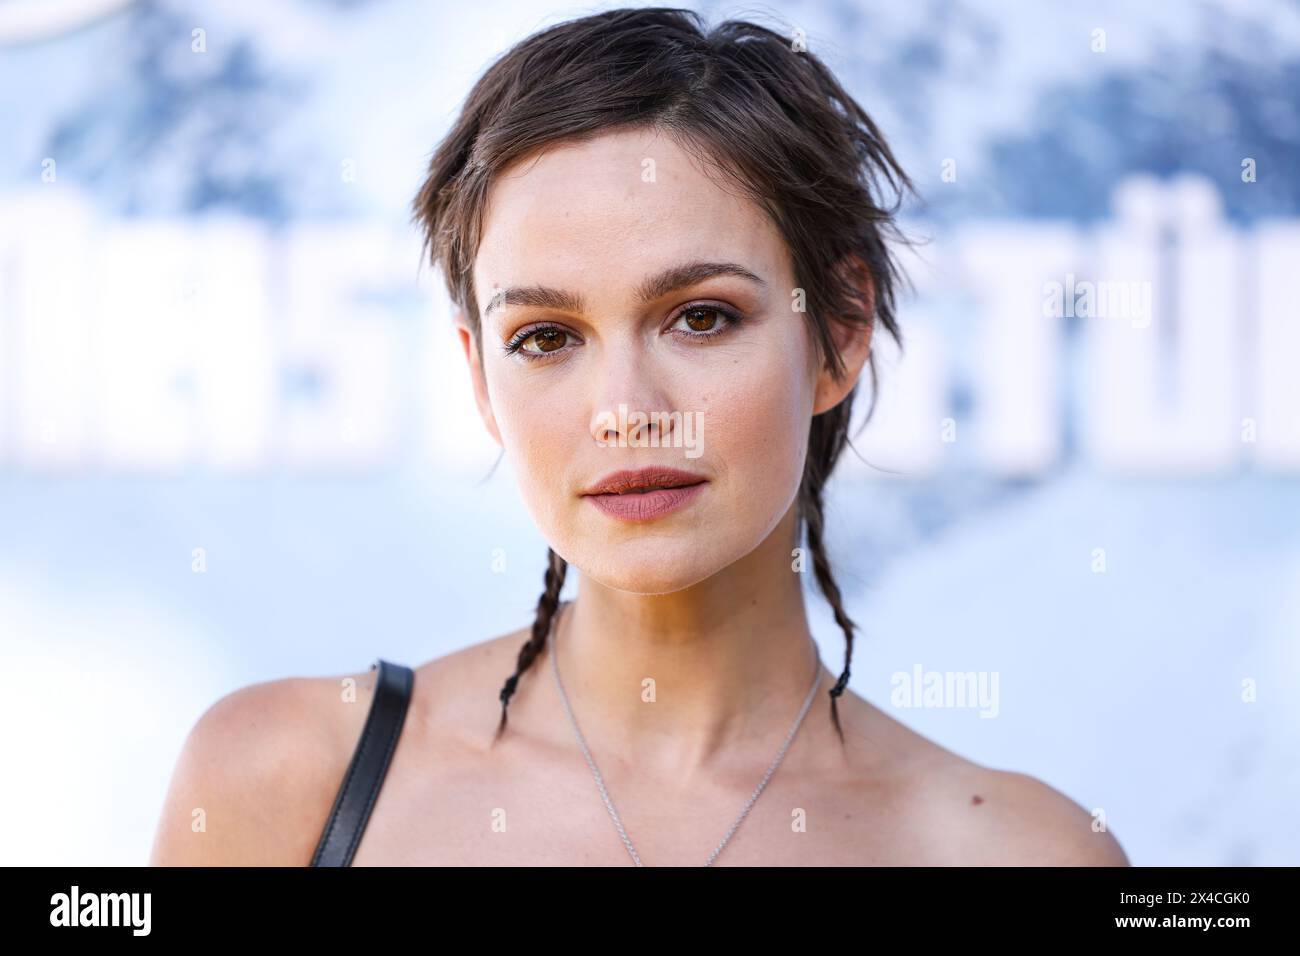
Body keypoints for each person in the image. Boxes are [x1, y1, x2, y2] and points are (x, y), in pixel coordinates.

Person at [150, 6, 1130, 867]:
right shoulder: (286, 780)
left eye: (700, 317)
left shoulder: (1020, 851)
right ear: (480, 376)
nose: (624, 407)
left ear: (837, 330)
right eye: (545, 337)